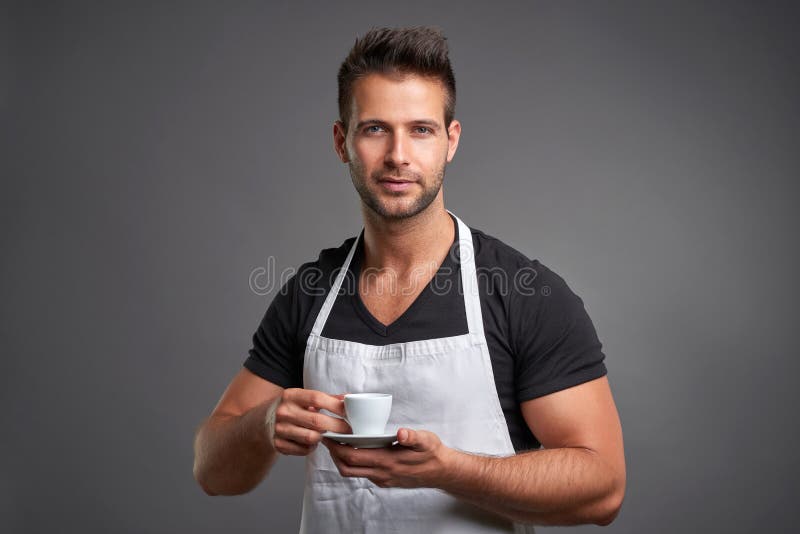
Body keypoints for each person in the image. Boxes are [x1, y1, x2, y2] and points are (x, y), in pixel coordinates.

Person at [193, 26, 625, 533]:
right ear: (342, 141)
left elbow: (604, 490)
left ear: (451, 142)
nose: (399, 155)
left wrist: (451, 471)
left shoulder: (525, 295)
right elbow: (212, 472)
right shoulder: (310, 294)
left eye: (421, 129)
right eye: (375, 128)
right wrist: (264, 425)